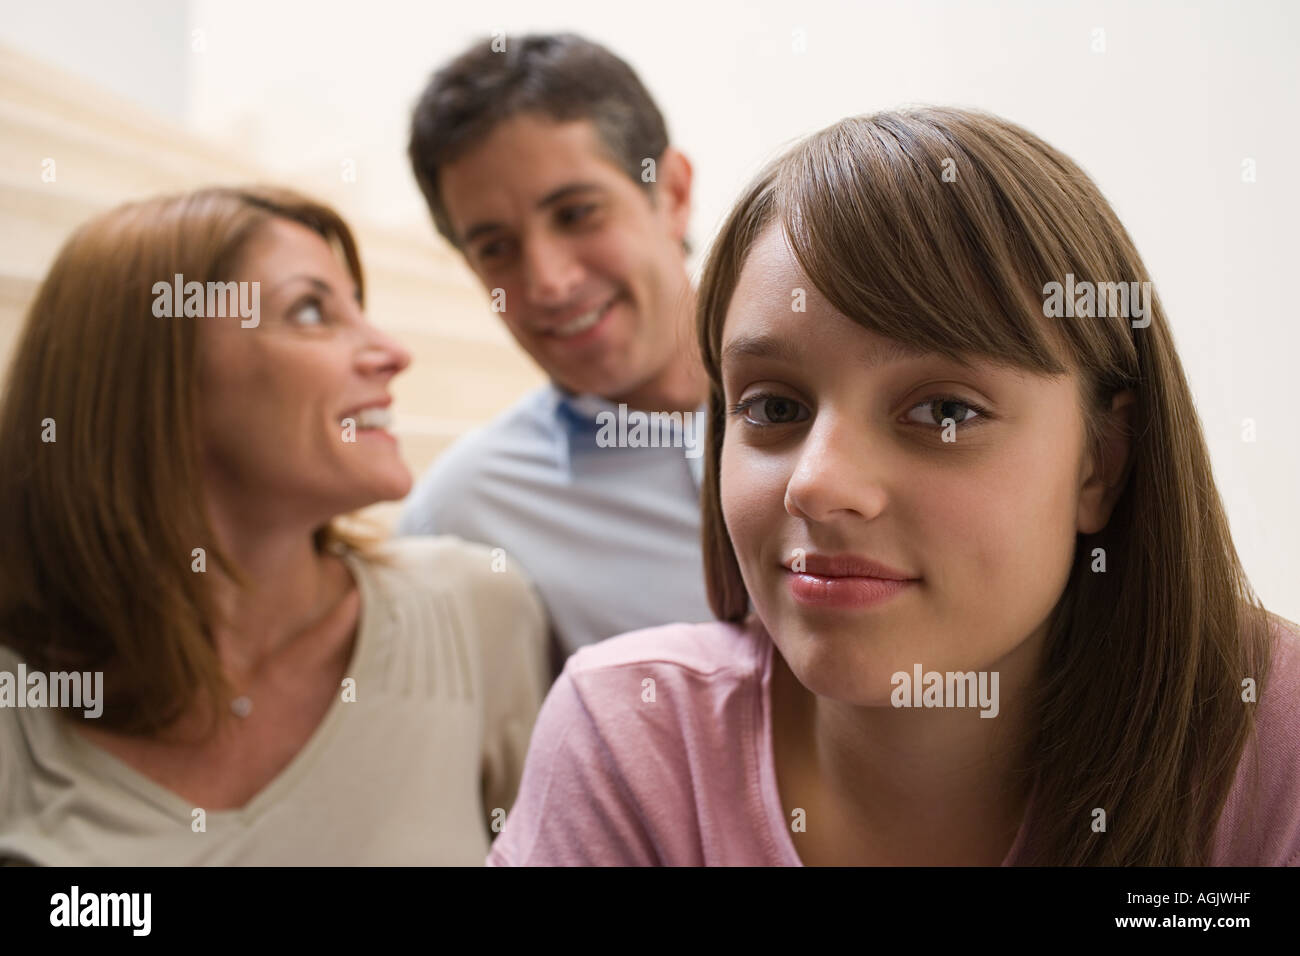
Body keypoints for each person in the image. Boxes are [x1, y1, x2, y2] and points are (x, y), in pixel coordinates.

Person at [486, 108, 1300, 866]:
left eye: (944, 410)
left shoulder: (1272, 735)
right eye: (773, 407)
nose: (818, 484)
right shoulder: (631, 734)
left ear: (1102, 462)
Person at [0, 186, 548, 865]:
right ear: (154, 376)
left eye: (360, 306)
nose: (391, 351)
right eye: (312, 310)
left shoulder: (476, 610)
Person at [401, 33, 713, 665]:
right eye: (495, 248)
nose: (547, 281)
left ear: (672, 193)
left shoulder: (856, 396)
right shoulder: (462, 518)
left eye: (576, 214)